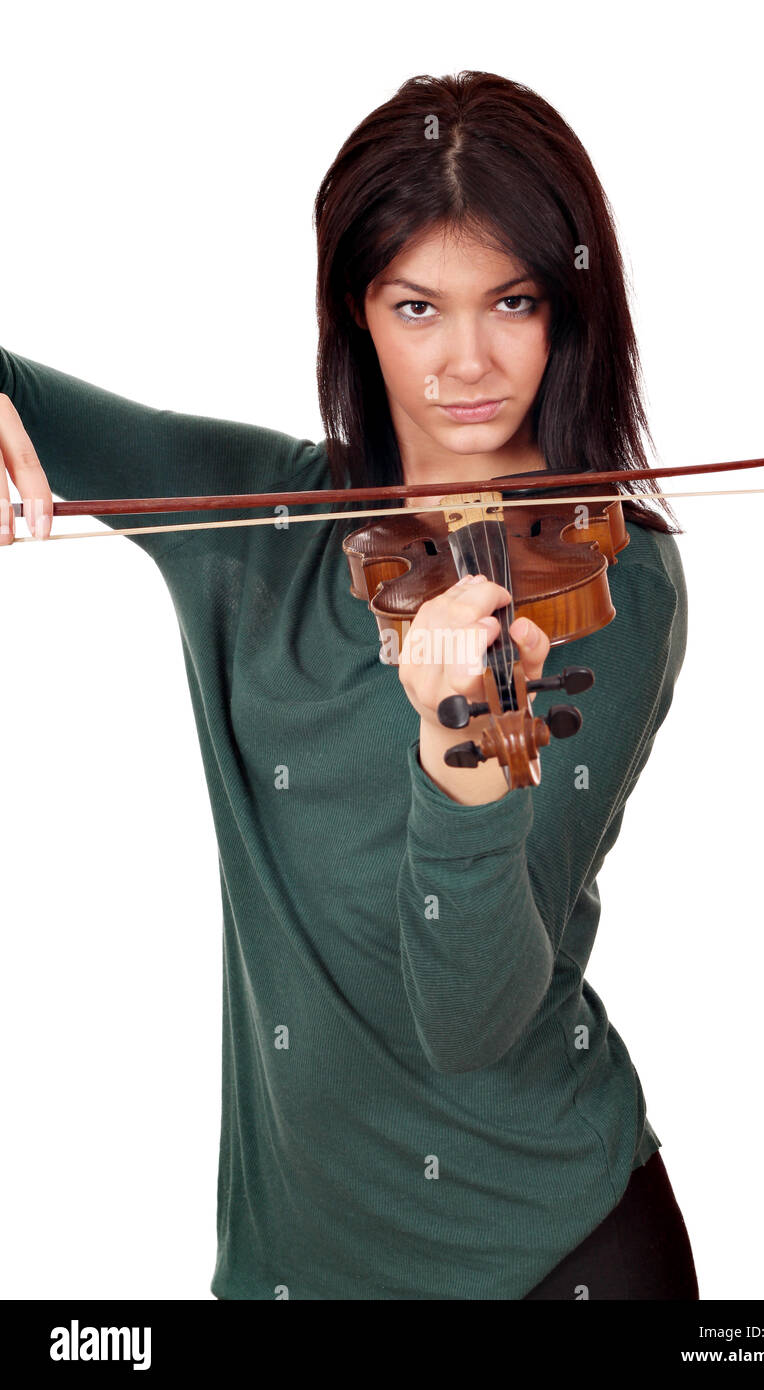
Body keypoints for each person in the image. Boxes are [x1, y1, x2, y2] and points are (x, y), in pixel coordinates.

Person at [0, 70, 698, 1300]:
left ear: (569, 312)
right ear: (355, 313)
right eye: (418, 305)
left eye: (514, 301)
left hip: (554, 1255)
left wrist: (459, 765)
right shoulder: (252, 518)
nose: (468, 360)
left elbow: (471, 1019)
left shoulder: (607, 578)